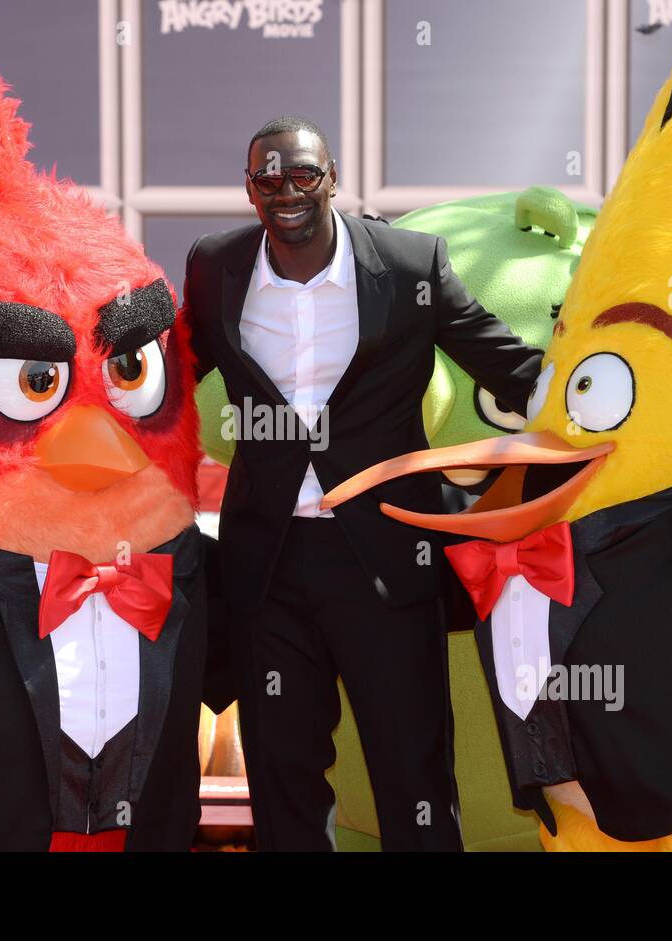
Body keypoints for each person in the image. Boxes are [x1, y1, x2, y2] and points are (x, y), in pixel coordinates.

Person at [184, 116, 542, 850]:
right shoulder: (215, 266)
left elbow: (514, 369)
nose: (287, 192)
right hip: (270, 565)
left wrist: (622, 403)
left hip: (386, 562)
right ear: (249, 188)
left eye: (303, 176)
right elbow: (167, 379)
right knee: (285, 782)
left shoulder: (411, 266)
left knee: (413, 778)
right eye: (268, 179)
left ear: (333, 177)